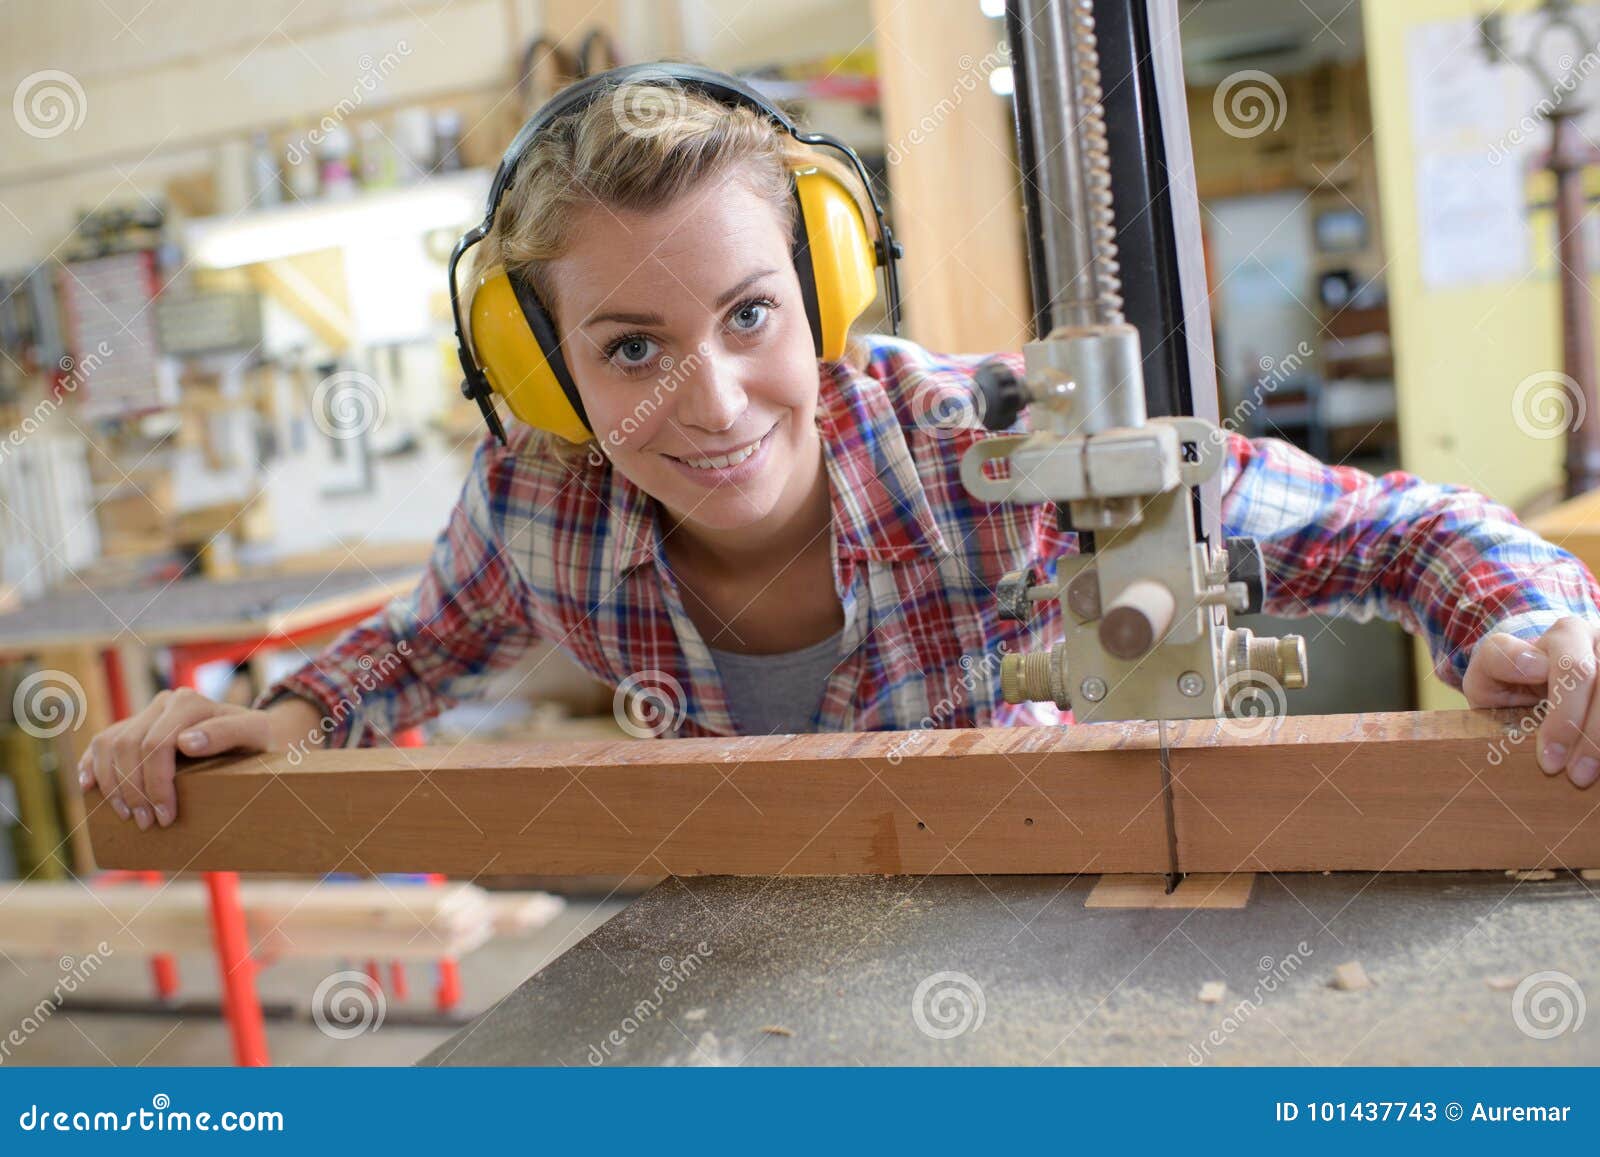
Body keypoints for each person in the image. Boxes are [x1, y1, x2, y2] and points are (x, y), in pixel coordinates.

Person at [79, 73, 1600, 833]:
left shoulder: (994, 450)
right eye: (628, 347)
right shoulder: (538, 509)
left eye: (750, 313)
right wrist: (281, 716)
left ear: (824, 287)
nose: (718, 396)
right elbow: (411, 650)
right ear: (543, 373)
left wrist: (1530, 627)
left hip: (1027, 913)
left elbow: (1400, 530)